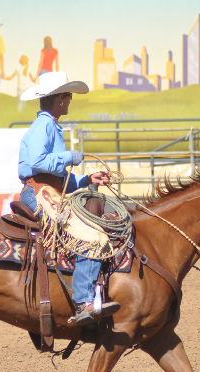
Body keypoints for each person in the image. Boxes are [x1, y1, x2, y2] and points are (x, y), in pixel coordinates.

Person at [17, 71, 119, 326]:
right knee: (92, 236)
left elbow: (54, 175)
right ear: (59, 99)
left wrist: (86, 181)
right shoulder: (46, 125)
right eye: (68, 95)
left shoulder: (48, 124)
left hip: (48, 191)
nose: (71, 99)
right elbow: (37, 161)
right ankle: (83, 301)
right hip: (40, 194)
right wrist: (68, 157)